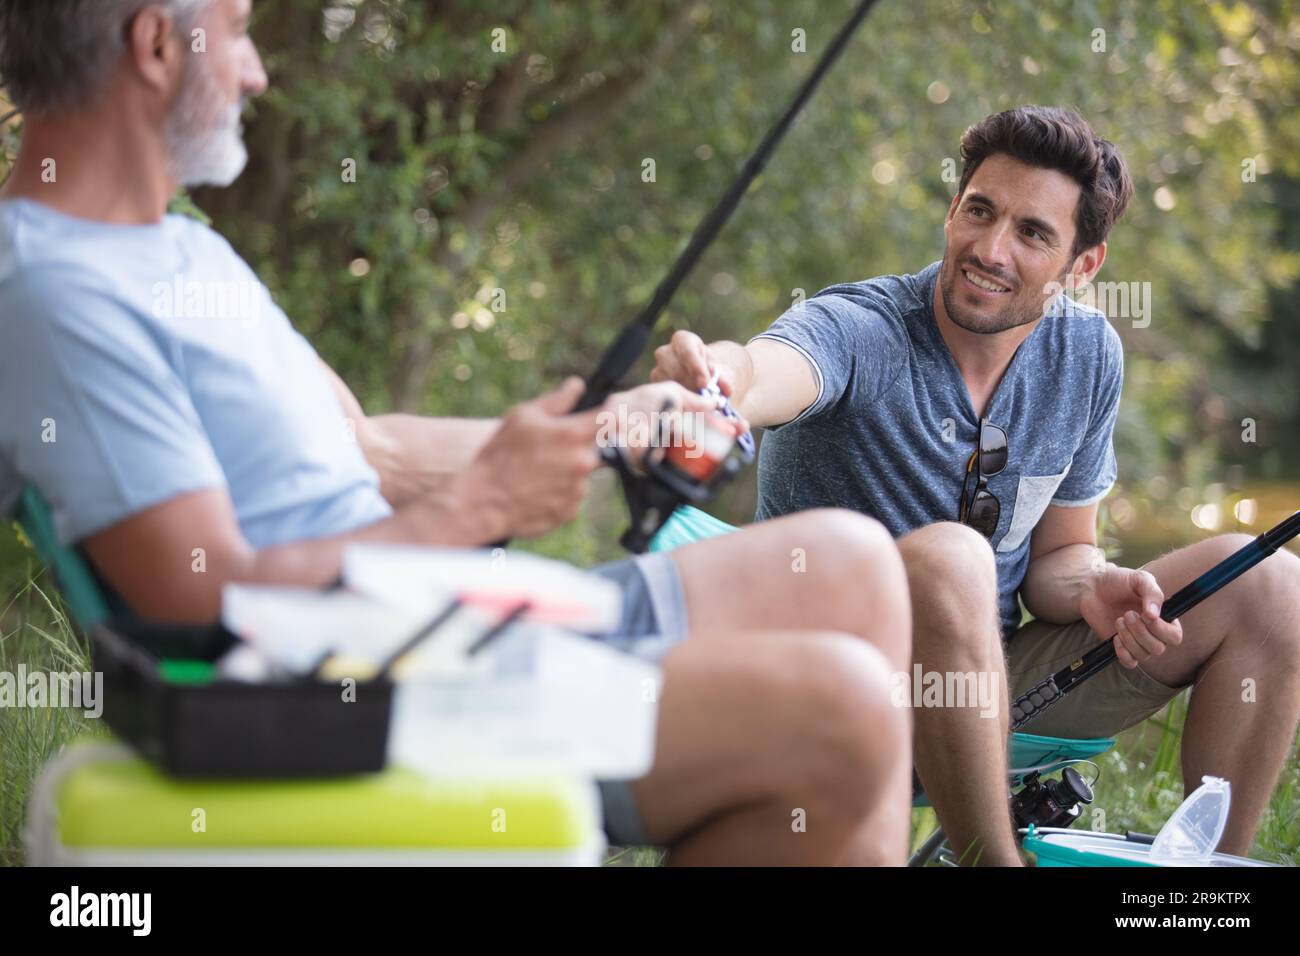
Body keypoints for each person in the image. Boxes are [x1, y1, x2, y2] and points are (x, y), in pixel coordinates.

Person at [0, 0, 916, 865]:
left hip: (429, 614)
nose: (256, 74)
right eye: (238, 32)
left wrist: (609, 429)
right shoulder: (57, 291)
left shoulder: (180, 250)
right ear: (158, 46)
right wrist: (479, 503)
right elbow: (200, 604)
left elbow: (367, 453)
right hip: (346, 684)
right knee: (847, 713)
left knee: (853, 561)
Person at [652, 105, 1300, 865]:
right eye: (980, 211)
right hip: (820, 694)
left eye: (1032, 234)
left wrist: (1096, 584)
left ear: (1081, 266)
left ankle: (1213, 890)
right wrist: (717, 380)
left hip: (987, 695)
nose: (990, 250)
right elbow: (767, 367)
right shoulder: (863, 329)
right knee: (954, 557)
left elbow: (1062, 556)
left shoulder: (1088, 353)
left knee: (1273, 586)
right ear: (954, 208)